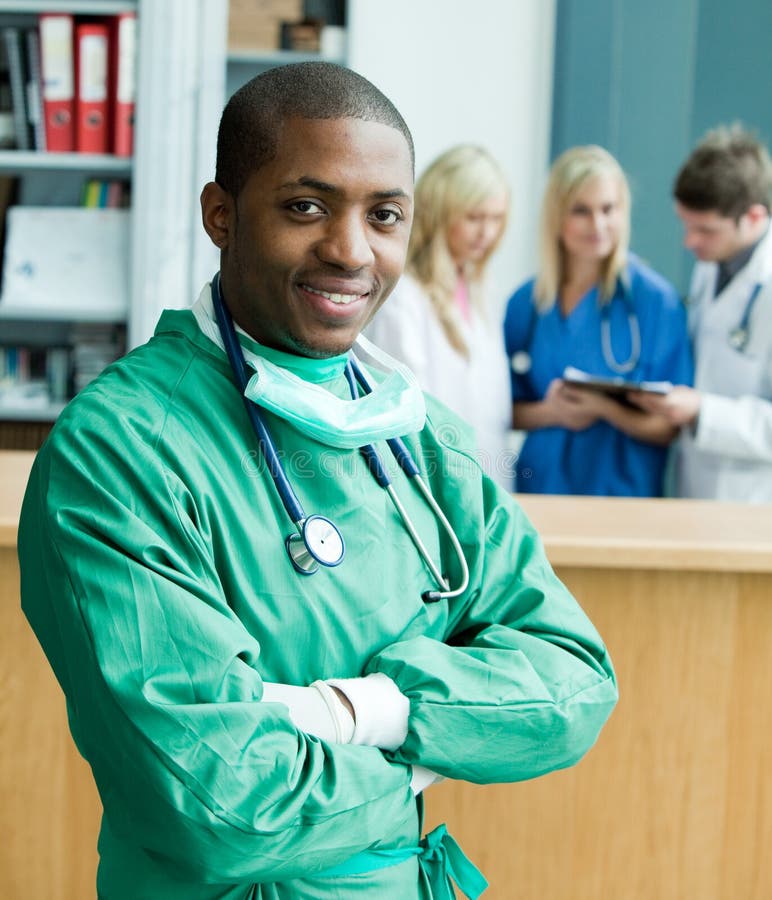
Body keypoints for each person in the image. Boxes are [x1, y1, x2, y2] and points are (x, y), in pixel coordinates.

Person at [18, 63, 617, 900]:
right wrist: (433, 753)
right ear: (220, 215)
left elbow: (574, 683)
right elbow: (219, 807)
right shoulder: (122, 453)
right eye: (306, 207)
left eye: (385, 215)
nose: (350, 250)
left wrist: (361, 714)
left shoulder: (422, 440)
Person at [503, 145, 693, 496]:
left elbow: (669, 426)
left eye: (609, 209)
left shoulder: (654, 302)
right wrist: (552, 413)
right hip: (540, 489)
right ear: (557, 218)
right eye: (581, 211)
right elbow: (499, 408)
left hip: (622, 496)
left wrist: (604, 408)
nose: (598, 225)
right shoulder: (527, 303)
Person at [630, 126, 772, 502]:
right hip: (698, 484)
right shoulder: (710, 266)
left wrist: (702, 410)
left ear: (754, 218)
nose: (689, 242)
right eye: (686, 225)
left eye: (705, 230)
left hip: (755, 499)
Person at [366, 145, 512, 487]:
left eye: (496, 219)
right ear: (438, 213)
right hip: (430, 482)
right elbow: (404, 413)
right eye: (474, 218)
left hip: (485, 479)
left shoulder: (479, 289)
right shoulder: (403, 295)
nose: (486, 233)